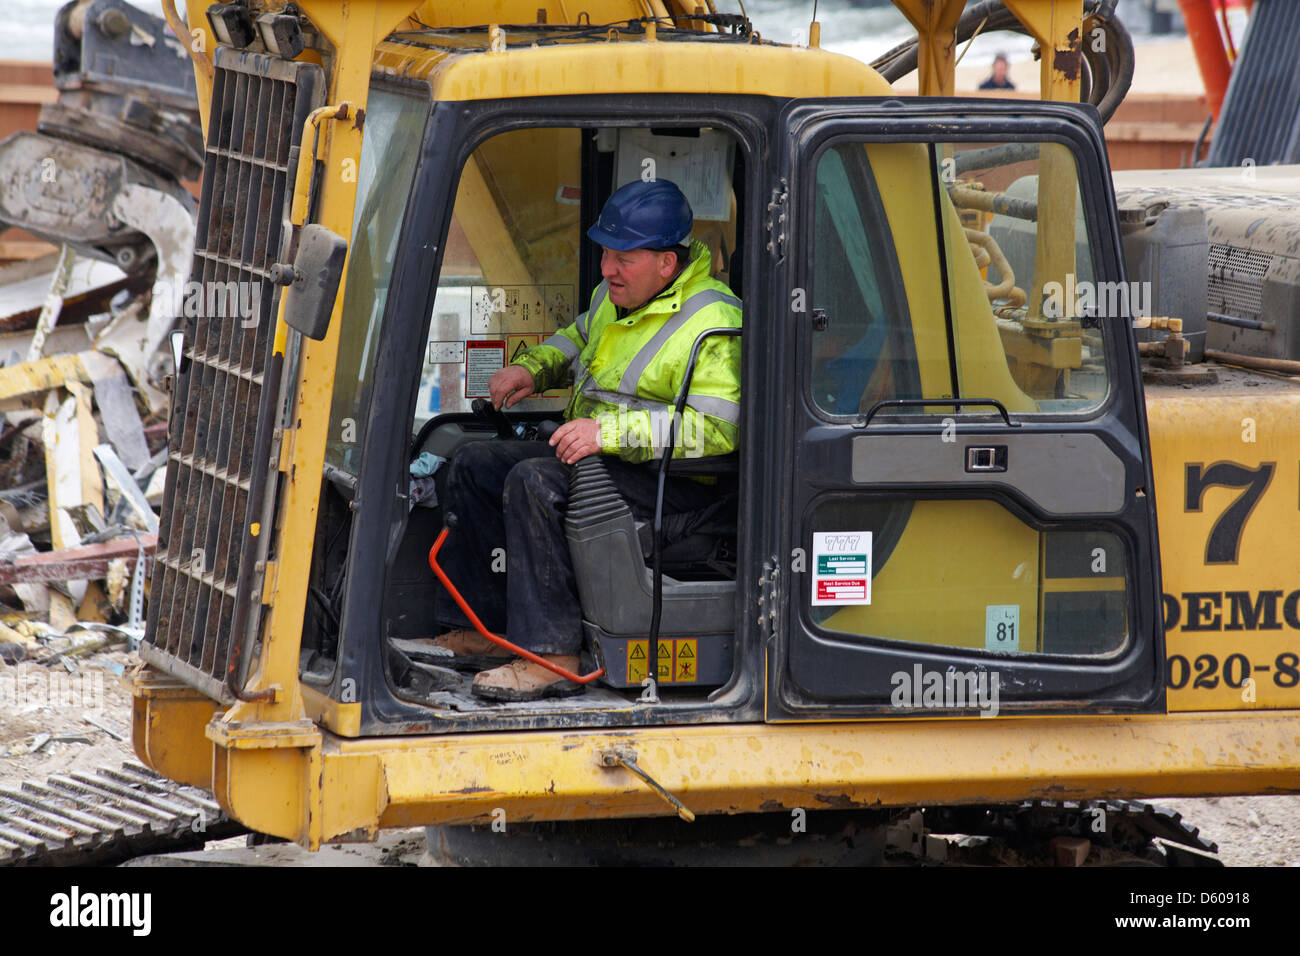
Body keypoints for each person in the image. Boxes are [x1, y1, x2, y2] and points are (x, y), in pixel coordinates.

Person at [428, 178, 743, 701]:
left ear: (668, 264)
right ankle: (486, 631)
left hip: (675, 482)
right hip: (605, 458)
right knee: (473, 463)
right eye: (605, 253)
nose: (607, 268)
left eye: (624, 257)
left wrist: (608, 433)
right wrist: (534, 369)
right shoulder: (613, 297)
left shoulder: (714, 320)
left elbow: (717, 430)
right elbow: (576, 340)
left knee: (535, 481)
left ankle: (552, 657)